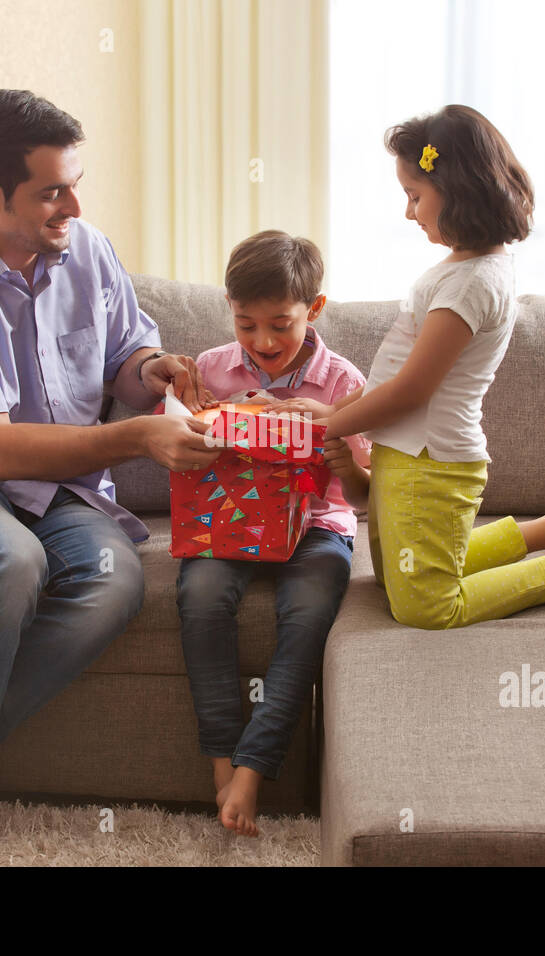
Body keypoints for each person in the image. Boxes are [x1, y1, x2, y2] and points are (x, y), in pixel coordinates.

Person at [0, 89, 221, 865]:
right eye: (52, 190)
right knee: (10, 559)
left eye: (75, 182)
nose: (74, 204)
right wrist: (136, 437)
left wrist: (149, 369)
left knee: (115, 579)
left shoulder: (85, 249)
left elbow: (125, 357)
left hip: (56, 492)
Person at [267, 105, 545, 630]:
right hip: (403, 452)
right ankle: (541, 530)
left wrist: (327, 427)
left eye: (415, 196)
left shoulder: (473, 283)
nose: (410, 213)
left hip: (432, 461)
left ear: (460, 191)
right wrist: (332, 410)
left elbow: (412, 389)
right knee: (393, 577)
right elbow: (390, 375)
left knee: (427, 604)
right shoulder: (459, 270)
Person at [176, 230, 369, 836]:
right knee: (200, 597)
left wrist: (346, 459)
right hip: (229, 523)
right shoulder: (209, 370)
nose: (263, 342)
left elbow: (363, 498)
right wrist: (196, 435)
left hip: (317, 527)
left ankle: (252, 770)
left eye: (280, 325)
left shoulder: (343, 384)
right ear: (229, 310)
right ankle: (220, 760)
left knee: (308, 615)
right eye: (245, 324)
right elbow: (183, 458)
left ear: (314, 310)